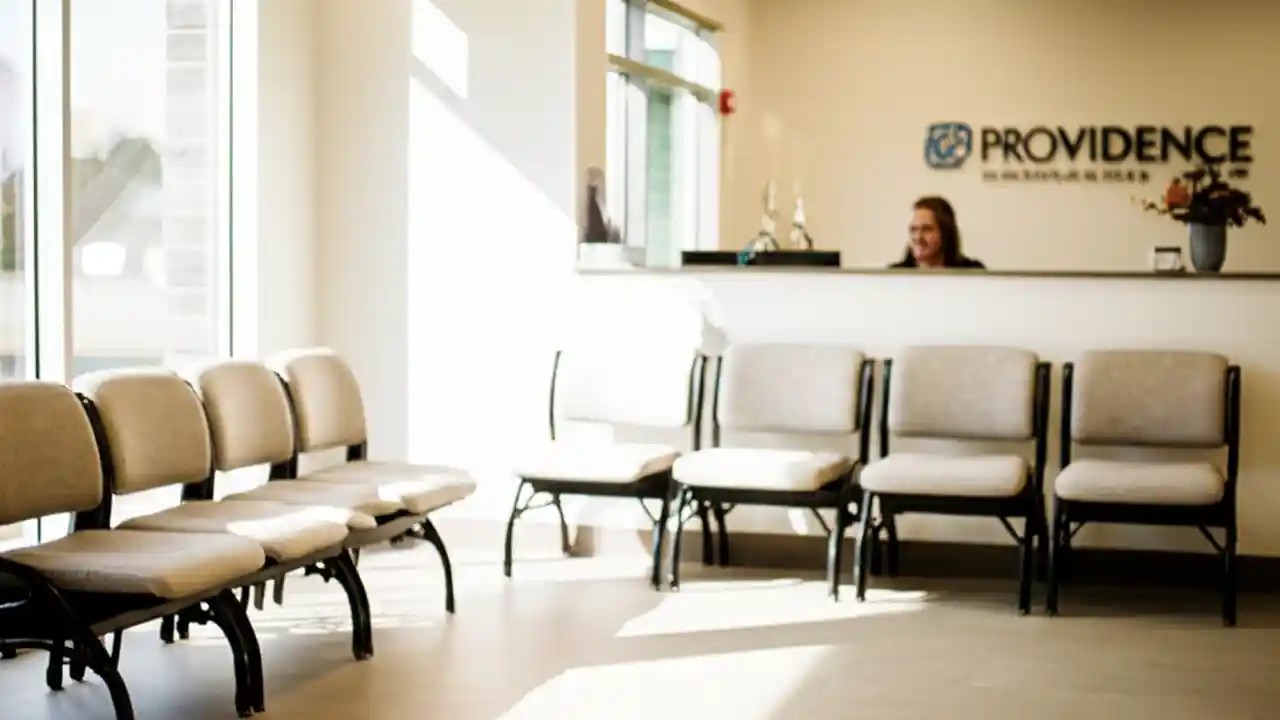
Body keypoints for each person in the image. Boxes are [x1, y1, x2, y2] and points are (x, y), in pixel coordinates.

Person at [890, 196, 985, 269]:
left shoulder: (971, 271)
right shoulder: (895, 275)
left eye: (927, 229)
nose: (918, 237)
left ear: (945, 233)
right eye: (913, 229)